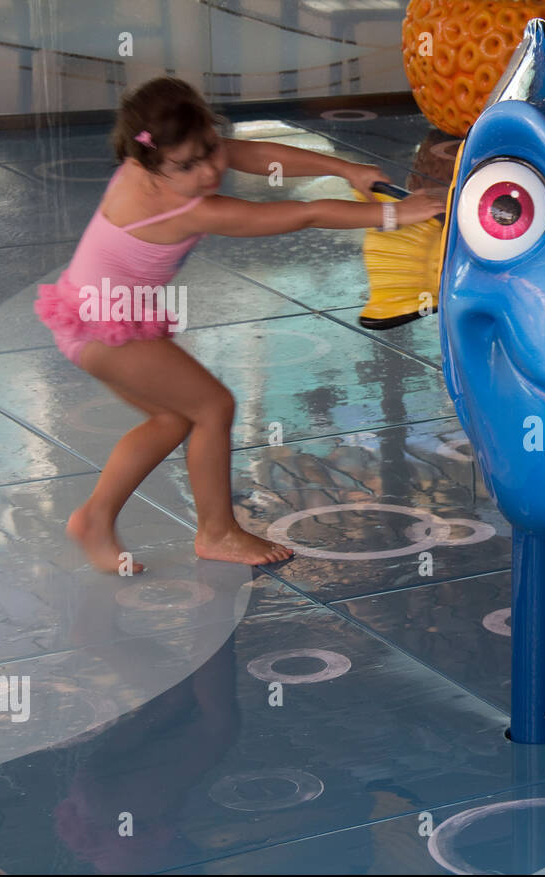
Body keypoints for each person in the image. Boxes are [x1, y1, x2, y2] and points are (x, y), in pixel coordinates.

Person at [35, 77, 445, 572]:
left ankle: (94, 519)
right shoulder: (189, 208)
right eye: (188, 165)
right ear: (150, 163)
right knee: (213, 407)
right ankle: (217, 532)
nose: (209, 169)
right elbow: (303, 215)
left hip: (89, 313)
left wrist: (345, 168)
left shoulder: (154, 159)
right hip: (106, 328)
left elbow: (251, 155)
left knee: (173, 418)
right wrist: (393, 215)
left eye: (209, 148)